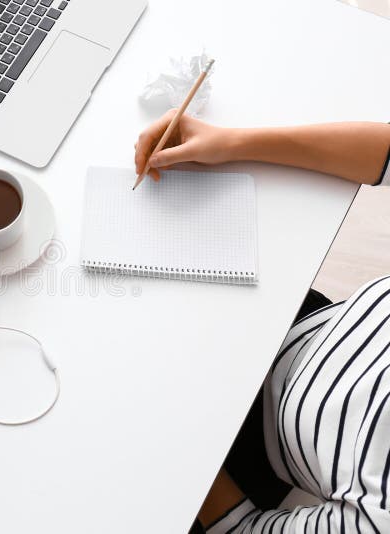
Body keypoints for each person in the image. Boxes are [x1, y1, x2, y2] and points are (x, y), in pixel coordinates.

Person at [134, 112, 390, 533]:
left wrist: (177, 430)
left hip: (235, 446)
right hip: (307, 323)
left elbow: (244, 528)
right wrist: (231, 142)